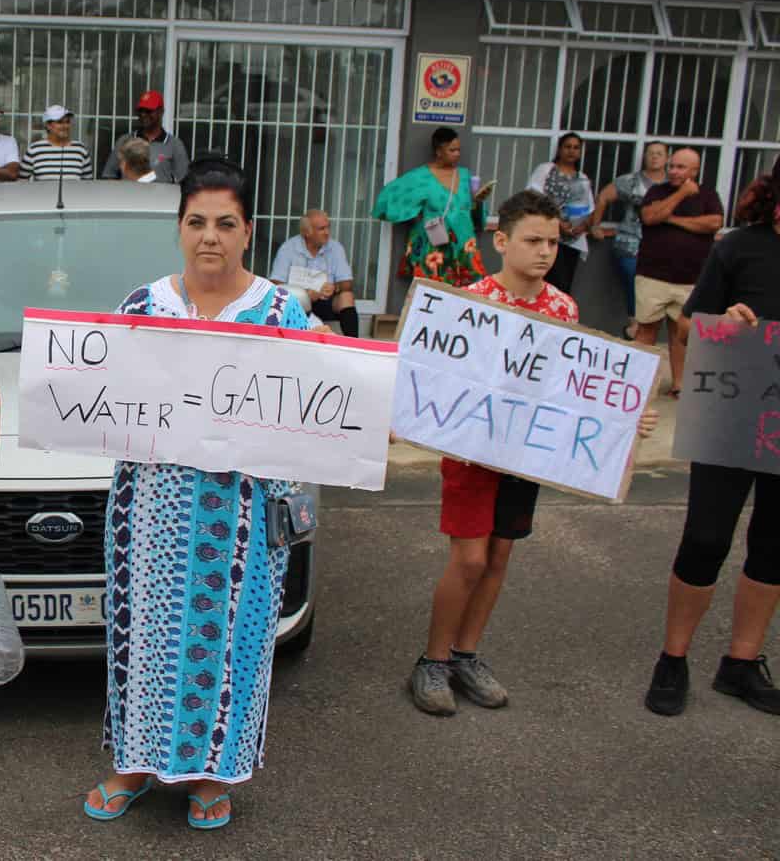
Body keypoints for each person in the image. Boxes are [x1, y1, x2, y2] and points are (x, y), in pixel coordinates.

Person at [82, 159, 309, 832]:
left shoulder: (281, 312)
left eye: (226, 223)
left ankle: (213, 773)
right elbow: (102, 393)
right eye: (197, 221)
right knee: (143, 638)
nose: (210, 236)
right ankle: (135, 764)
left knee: (232, 641)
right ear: (179, 228)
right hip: (152, 511)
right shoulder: (141, 307)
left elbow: (313, 411)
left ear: (249, 231)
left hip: (241, 517)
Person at [408, 191, 658, 717]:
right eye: (533, 240)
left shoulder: (564, 308)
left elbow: (575, 388)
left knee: (499, 557)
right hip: (472, 454)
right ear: (501, 241)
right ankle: (432, 660)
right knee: (469, 560)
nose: (545, 251)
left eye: (553, 242)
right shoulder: (471, 302)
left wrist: (626, 417)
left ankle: (466, 655)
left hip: (528, 455)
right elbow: (435, 376)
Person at [644, 157, 780, 718]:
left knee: (773, 546)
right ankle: (672, 658)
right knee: (705, 538)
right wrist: (726, 323)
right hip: (731, 409)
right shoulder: (738, 247)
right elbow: (686, 328)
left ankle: (740, 664)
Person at [634, 147, 723, 397]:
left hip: (690, 278)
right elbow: (650, 217)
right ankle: (637, 385)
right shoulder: (657, 191)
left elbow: (713, 223)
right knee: (646, 329)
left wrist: (671, 219)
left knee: (680, 333)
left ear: (695, 170)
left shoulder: (708, 195)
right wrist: (682, 193)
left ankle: (679, 385)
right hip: (652, 275)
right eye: (672, 166)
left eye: (680, 167)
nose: (673, 171)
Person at [372, 126, 492, 286]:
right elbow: (390, 198)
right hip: (434, 244)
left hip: (462, 246)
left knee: (463, 294)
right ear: (439, 151)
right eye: (452, 150)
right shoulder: (421, 177)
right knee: (431, 292)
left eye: (458, 150)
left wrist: (478, 201)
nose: (457, 154)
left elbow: (472, 212)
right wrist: (412, 213)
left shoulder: (465, 175)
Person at [592, 141, 669, 340]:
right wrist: (595, 225)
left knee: (656, 285)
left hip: (662, 245)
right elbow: (603, 197)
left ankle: (648, 326)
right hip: (630, 242)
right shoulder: (632, 181)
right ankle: (634, 324)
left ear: (667, 158)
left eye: (659, 153)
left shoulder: (673, 184)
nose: (654, 157)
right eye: (650, 153)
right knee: (634, 280)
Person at [525, 131, 594, 296]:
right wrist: (558, 223)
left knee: (564, 288)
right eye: (567, 147)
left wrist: (583, 226)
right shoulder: (546, 170)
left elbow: (589, 208)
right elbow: (533, 197)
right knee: (549, 282)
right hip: (547, 236)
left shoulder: (582, 178)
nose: (571, 151)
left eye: (576, 148)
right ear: (559, 149)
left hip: (573, 239)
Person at [270, 210, 359, 337]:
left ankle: (352, 342)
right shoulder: (288, 248)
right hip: (298, 303)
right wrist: (305, 294)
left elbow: (347, 283)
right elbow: (275, 283)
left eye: (328, 227)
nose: (327, 232)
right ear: (306, 232)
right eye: (321, 229)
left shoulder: (335, 248)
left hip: (326, 300)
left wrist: (335, 287)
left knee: (347, 296)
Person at [100, 91, 190, 181]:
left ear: (161, 112)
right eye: (140, 110)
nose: (143, 114)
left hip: (160, 191)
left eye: (148, 111)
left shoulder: (174, 145)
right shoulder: (125, 141)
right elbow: (109, 175)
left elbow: (184, 181)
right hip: (128, 190)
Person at [21, 106, 93, 182]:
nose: (65, 126)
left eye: (67, 122)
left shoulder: (80, 149)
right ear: (48, 125)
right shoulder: (34, 150)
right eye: (60, 122)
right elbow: (21, 182)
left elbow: (88, 183)